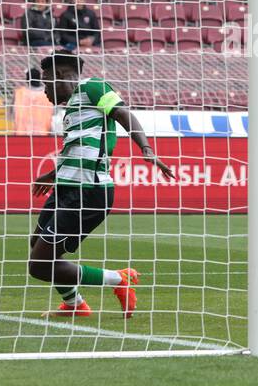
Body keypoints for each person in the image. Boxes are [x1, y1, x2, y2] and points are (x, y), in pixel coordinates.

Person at [27, 52, 173, 317]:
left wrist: (146, 148)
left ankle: (119, 279)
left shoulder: (93, 87)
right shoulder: (71, 107)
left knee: (39, 265)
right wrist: (51, 175)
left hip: (88, 192)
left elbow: (122, 113)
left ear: (60, 75)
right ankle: (75, 305)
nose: (45, 91)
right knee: (37, 242)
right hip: (66, 188)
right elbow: (79, 149)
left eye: (46, 83)